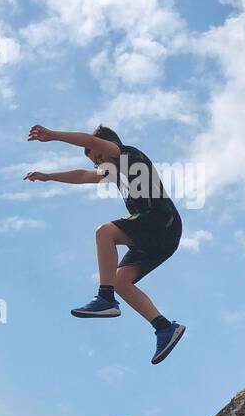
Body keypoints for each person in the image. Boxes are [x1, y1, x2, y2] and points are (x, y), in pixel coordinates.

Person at [25, 124, 186, 364]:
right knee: (120, 281)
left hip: (160, 219)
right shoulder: (111, 169)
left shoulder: (126, 153)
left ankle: (105, 298)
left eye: (98, 156)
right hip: (158, 238)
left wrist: (54, 135)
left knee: (105, 233)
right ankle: (164, 328)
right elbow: (82, 176)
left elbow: (90, 143)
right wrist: (49, 176)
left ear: (108, 146)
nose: (99, 164)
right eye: (95, 162)